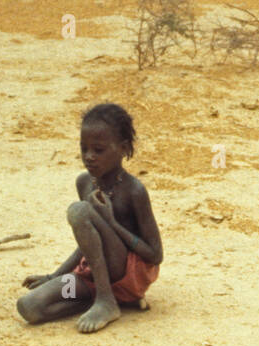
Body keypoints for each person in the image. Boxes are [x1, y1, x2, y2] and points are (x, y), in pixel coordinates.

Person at [17, 103, 163, 333]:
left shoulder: (134, 191)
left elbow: (155, 254)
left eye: (99, 150)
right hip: (92, 278)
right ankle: (103, 301)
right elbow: (88, 244)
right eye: (84, 148)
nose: (89, 157)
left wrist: (113, 223)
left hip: (128, 276)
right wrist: (55, 276)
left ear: (124, 149)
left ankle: (107, 301)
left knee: (79, 211)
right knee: (30, 307)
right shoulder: (84, 183)